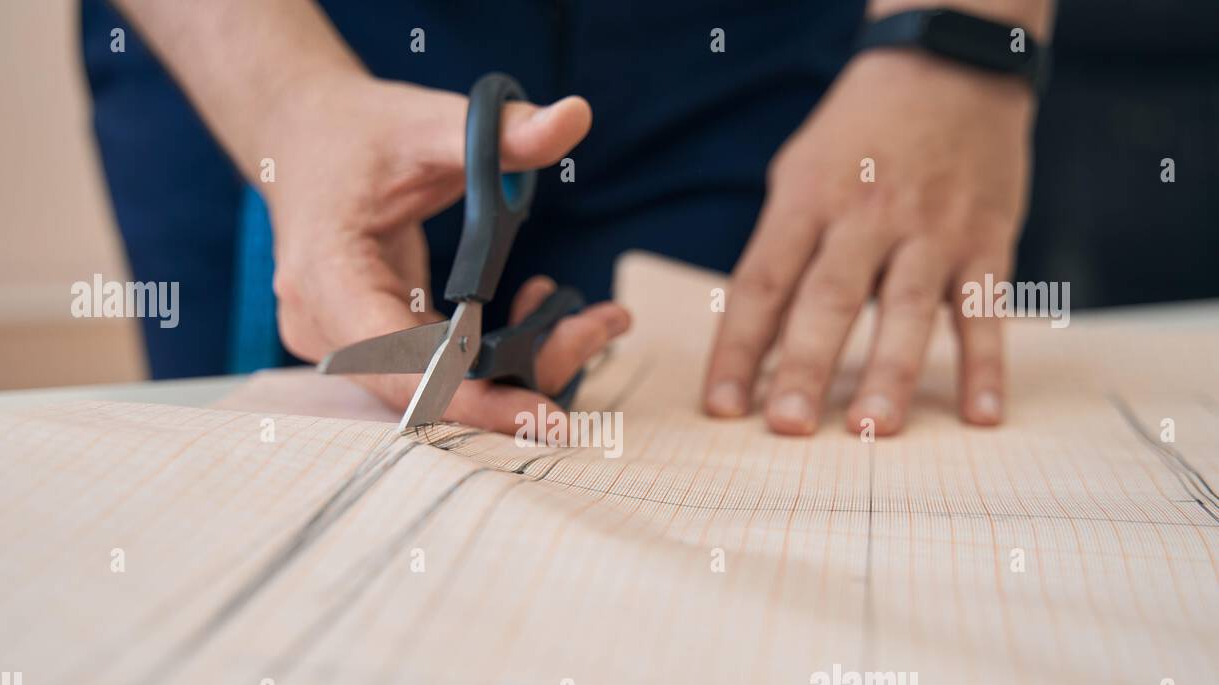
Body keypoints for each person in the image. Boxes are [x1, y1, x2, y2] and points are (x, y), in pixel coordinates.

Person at [83, 0, 1052, 437]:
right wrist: (286, 103)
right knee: (303, 467)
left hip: (756, 42)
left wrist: (959, 39)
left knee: (702, 443)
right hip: (297, 36)